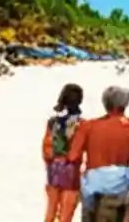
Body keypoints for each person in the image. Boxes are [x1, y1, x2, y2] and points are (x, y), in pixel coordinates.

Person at [66, 85, 129, 222]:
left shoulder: (88, 126)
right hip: (118, 188)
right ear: (125, 104)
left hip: (91, 187)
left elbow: (73, 157)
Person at [42, 83, 85, 222]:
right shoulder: (82, 124)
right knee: (65, 216)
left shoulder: (53, 122)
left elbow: (46, 149)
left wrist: (52, 160)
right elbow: (78, 150)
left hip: (54, 169)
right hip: (71, 171)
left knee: (50, 212)